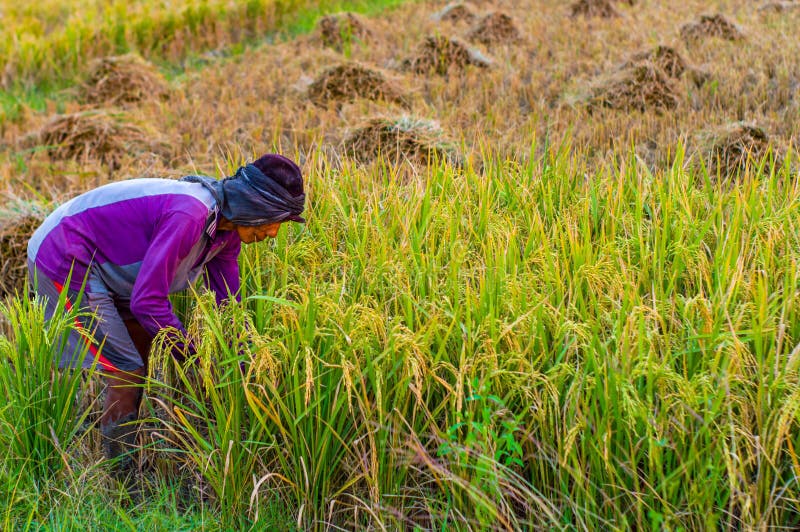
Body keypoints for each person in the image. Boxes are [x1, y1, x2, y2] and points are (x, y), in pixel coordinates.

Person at [26, 153, 306, 471]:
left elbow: (229, 304)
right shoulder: (190, 215)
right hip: (66, 255)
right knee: (126, 365)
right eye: (275, 221)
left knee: (139, 351)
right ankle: (120, 473)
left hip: (107, 266)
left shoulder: (226, 234)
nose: (273, 234)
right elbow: (147, 302)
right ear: (254, 206)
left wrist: (239, 360)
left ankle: (118, 446)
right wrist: (193, 359)